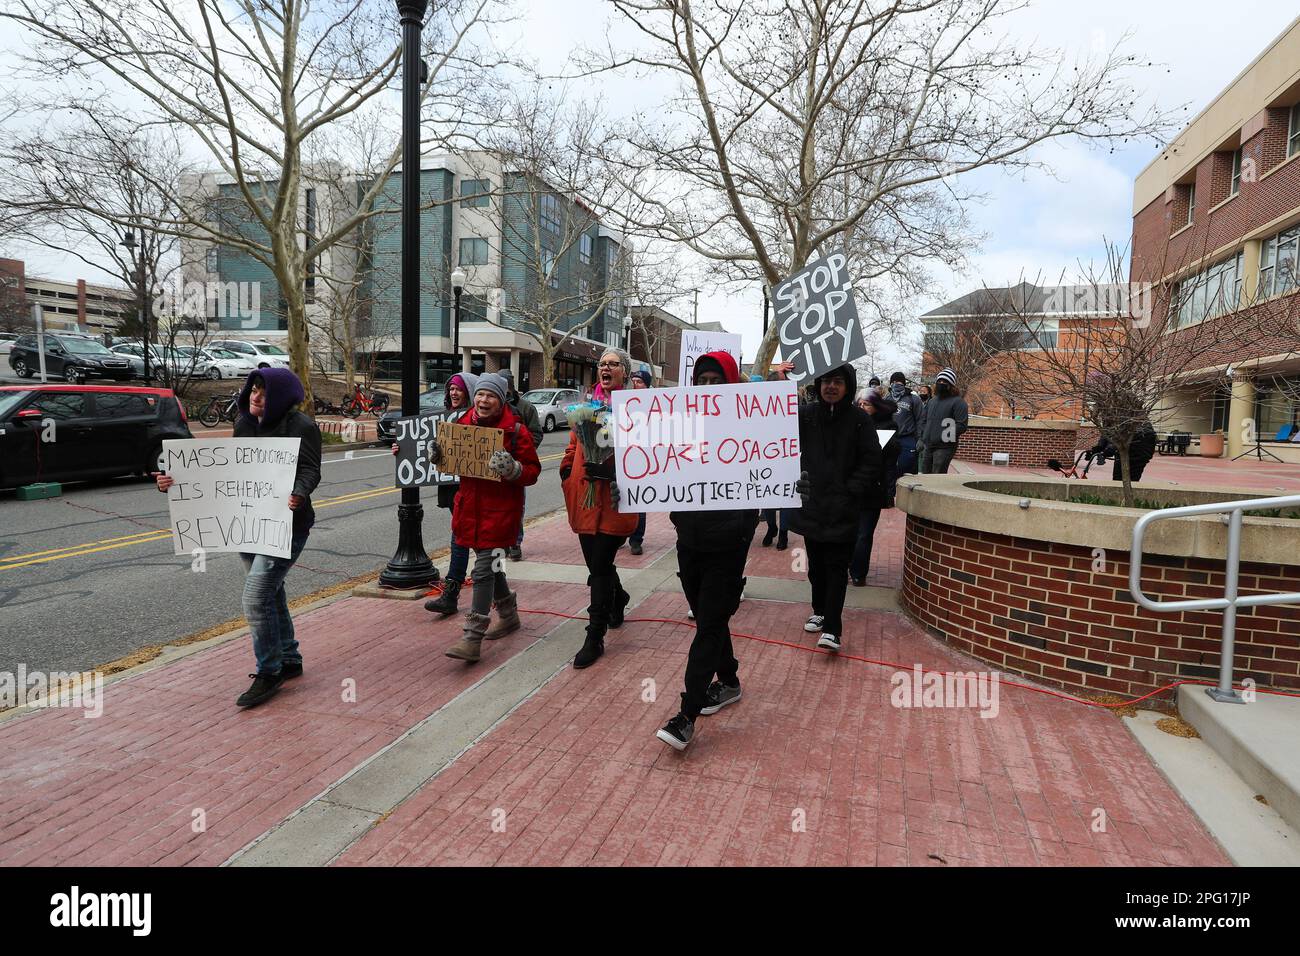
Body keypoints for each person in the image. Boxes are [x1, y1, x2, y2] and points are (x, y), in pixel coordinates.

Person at [155, 368, 321, 709]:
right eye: (253, 390)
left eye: (263, 391)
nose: (255, 396)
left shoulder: (301, 426)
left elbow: (310, 470)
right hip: (247, 523)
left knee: (256, 596)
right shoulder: (245, 424)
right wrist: (174, 481)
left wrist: (299, 492)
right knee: (270, 593)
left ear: (282, 396)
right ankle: (289, 658)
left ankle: (269, 671)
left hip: (287, 524)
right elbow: (228, 472)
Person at [655, 350, 758, 751]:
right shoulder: (681, 428)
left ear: (731, 386)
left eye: (718, 381)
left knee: (709, 625)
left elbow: (771, 469)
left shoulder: (753, 430)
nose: (709, 389)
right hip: (689, 540)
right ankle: (728, 680)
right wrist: (625, 486)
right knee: (707, 618)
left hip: (729, 544)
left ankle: (687, 715)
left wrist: (791, 485)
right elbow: (653, 465)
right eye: (703, 382)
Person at [436, 373, 541, 663]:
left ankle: (472, 636)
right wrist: (438, 456)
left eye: (491, 395)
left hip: (501, 513)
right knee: (493, 569)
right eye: (480, 394)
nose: (484, 400)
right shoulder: (461, 424)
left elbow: (532, 471)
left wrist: (513, 469)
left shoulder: (516, 431)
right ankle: (508, 615)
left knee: (482, 570)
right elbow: (449, 462)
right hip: (470, 509)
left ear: (501, 399)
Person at [787, 363, 881, 652]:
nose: (831, 386)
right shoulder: (806, 416)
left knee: (837, 567)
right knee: (816, 566)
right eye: (826, 380)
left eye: (837, 381)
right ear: (818, 384)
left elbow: (871, 460)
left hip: (843, 509)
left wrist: (851, 490)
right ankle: (819, 611)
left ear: (848, 386)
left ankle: (832, 628)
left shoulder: (859, 420)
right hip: (812, 505)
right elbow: (775, 435)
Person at [561, 348, 640, 670]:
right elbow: (573, 444)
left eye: (613, 364)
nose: (606, 368)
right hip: (583, 498)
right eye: (602, 364)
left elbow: (649, 452)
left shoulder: (638, 409)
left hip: (616, 500)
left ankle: (594, 636)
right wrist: (567, 470)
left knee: (599, 566)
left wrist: (617, 472)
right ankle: (618, 597)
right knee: (598, 565)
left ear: (626, 372)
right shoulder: (585, 406)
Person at [423, 371, 479, 617]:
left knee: (462, 537)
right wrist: (402, 450)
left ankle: (451, 594)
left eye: (458, 388)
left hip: (469, 489)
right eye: (451, 389)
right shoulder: (441, 420)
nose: (453, 393)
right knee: (474, 540)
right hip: (449, 487)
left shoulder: (476, 421)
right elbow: (421, 448)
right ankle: (500, 588)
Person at [850, 392, 900, 586]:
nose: (862, 408)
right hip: (852, 488)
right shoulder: (850, 425)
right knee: (851, 532)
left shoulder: (888, 428)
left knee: (864, 534)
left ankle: (858, 572)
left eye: (867, 405)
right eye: (859, 404)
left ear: (876, 407)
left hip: (873, 488)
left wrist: (889, 493)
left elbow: (890, 466)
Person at [495, 369, 541, 562]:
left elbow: (536, 434)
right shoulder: (492, 406)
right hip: (492, 469)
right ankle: (500, 544)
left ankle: (515, 542)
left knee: (515, 506)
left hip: (516, 468)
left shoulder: (526, 408)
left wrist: (522, 452)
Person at [918, 367, 968, 474]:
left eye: (945, 381)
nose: (941, 383)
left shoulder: (958, 402)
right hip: (928, 446)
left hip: (945, 447)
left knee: (937, 476)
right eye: (939, 381)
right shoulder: (932, 401)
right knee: (925, 476)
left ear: (951, 384)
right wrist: (921, 438)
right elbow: (923, 421)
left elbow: (961, 425)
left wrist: (944, 435)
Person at [627, 368, 652, 555]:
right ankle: (620, 534)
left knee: (639, 501)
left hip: (643, 461)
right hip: (624, 458)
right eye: (633, 381)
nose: (635, 384)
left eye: (640, 381)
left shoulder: (653, 405)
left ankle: (636, 539)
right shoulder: (623, 402)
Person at [1090, 420, 1158, 482]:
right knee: (1119, 479)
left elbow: (1124, 437)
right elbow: (1107, 431)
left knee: (1128, 480)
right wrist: (1099, 448)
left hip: (1139, 451)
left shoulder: (1131, 417)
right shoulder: (1114, 414)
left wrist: (1110, 449)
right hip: (1129, 449)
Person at [888, 372, 923, 477]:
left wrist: (920, 439)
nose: (895, 384)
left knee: (907, 467)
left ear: (903, 383)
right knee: (890, 468)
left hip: (907, 438)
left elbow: (920, 419)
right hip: (891, 438)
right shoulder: (887, 399)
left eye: (898, 381)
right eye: (893, 382)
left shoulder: (913, 399)